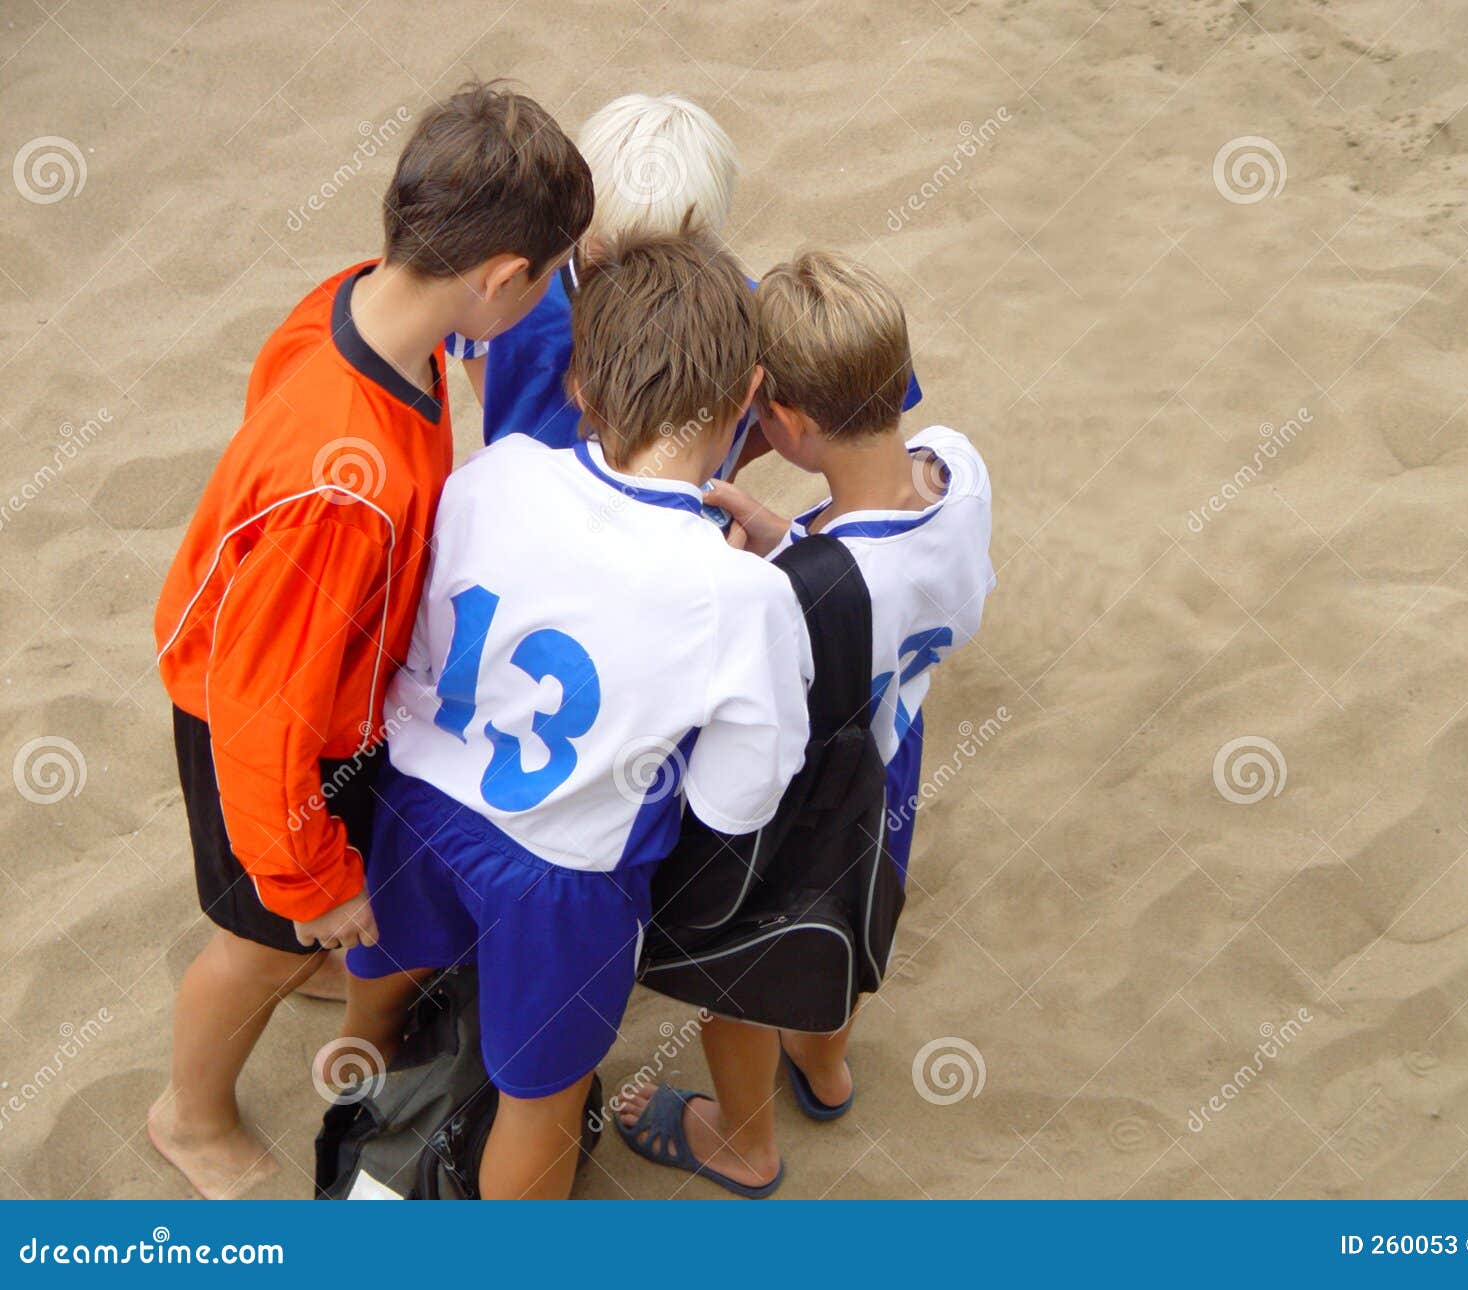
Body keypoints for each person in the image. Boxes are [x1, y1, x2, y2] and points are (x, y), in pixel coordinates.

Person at [147, 82, 592, 1200]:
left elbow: (270, 404)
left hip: (301, 684)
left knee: (305, 915)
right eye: (546, 280)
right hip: (253, 717)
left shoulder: (354, 298)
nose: (543, 300)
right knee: (260, 935)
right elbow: (261, 706)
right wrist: (302, 884)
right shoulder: (348, 490)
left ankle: (293, 933)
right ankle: (189, 1113)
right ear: (501, 280)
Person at [334, 232, 812, 1201]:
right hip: (561, 873)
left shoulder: (497, 472)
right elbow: (736, 799)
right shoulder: (739, 597)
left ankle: (361, 1061)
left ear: (581, 383)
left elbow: (422, 648)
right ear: (749, 392)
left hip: (421, 798)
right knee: (539, 1097)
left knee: (393, 955)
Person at [617, 250, 995, 1195]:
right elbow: (876, 574)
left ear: (786, 422)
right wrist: (792, 538)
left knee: (742, 962)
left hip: (808, 793)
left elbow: (768, 692)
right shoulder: (956, 463)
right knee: (859, 916)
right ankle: (824, 1070)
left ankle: (744, 1141)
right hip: (892, 758)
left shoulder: (805, 595)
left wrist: (765, 570)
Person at [445, 91, 921, 477]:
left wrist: (728, 458)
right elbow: (474, 347)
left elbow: (865, 394)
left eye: (661, 264)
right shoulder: (517, 293)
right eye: (607, 259)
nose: (630, 285)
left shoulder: (755, 314)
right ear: (582, 214)